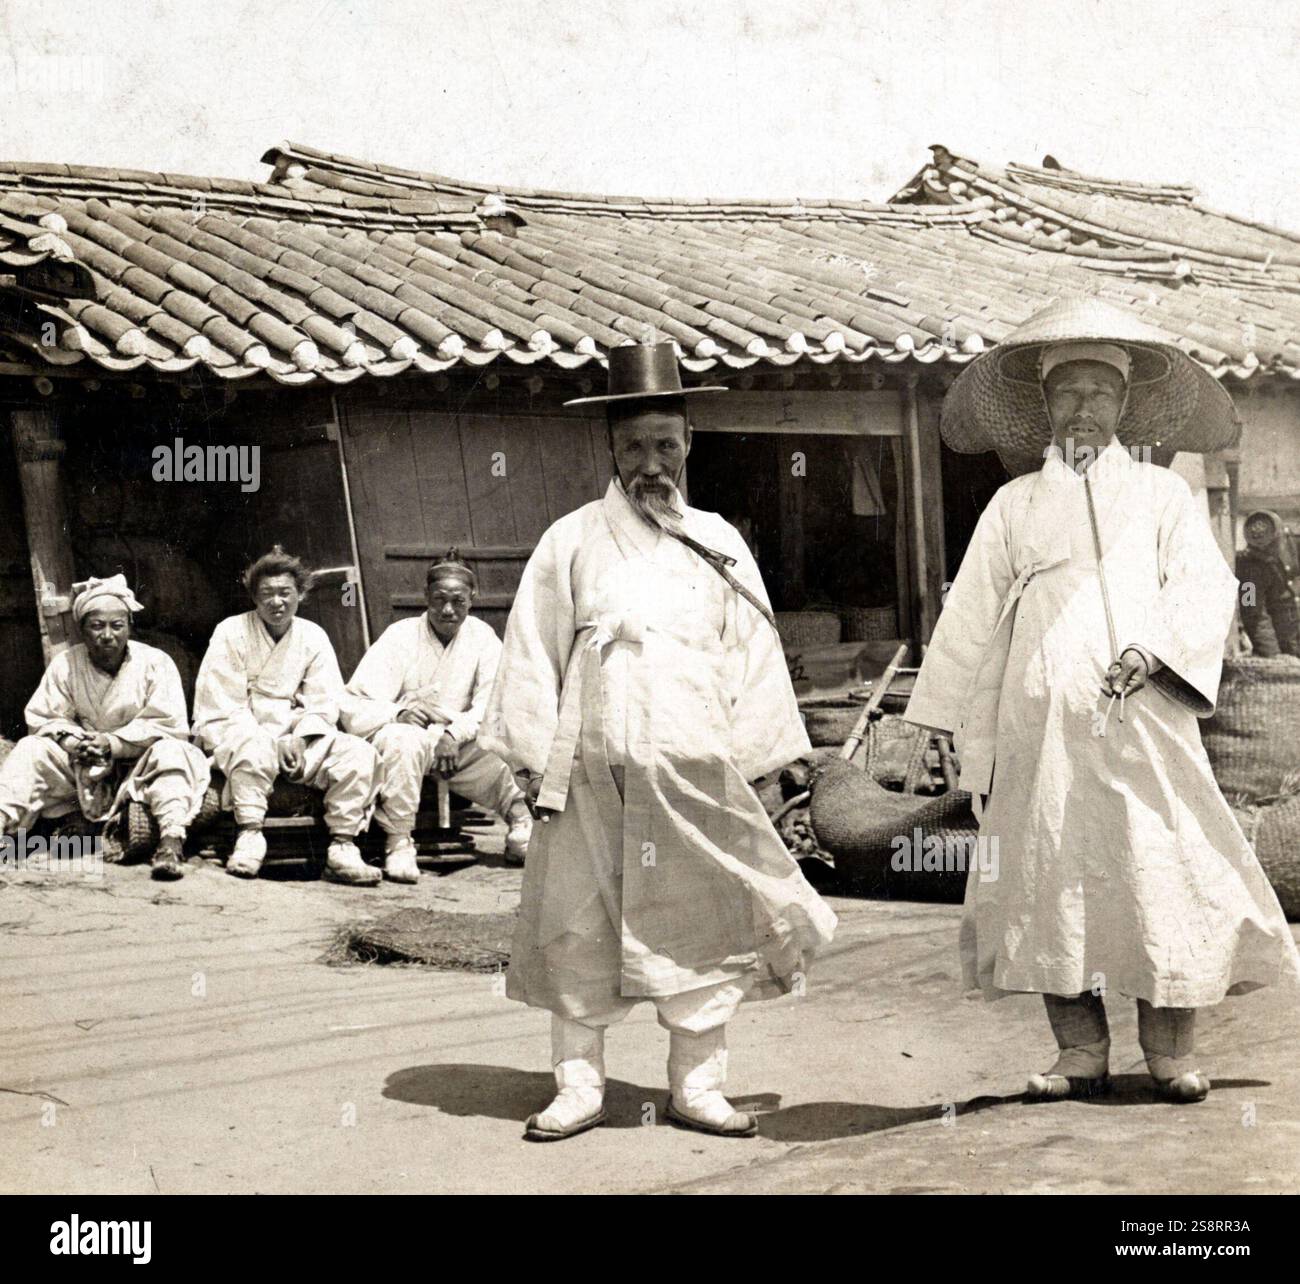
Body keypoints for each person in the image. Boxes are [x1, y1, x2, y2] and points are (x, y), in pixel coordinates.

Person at [905, 297, 1300, 1104]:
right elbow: (972, 611)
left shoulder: (1160, 496)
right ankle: (1079, 1048)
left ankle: (1168, 1050)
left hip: (1142, 713)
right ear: (1045, 406)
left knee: (1159, 867)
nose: (1083, 409)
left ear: (1124, 405)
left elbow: (1203, 586)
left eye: (1099, 394)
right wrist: (940, 722)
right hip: (1038, 722)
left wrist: (1148, 649)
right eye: (1068, 394)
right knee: (1051, 869)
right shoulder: (1013, 505)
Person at [480, 341, 836, 1141]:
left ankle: (698, 1086)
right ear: (611, 449)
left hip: (694, 773)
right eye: (635, 446)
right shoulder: (569, 541)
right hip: (588, 775)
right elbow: (532, 651)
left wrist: (756, 770)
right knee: (575, 926)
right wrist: (536, 767)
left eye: (666, 445)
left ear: (689, 446)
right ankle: (577, 1086)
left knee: (704, 925)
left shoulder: (719, 543)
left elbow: (754, 655)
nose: (652, 463)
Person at [0, 574, 210, 880]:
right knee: (31, 749)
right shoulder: (65, 664)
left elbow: (169, 722)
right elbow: (45, 718)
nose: (107, 635)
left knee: (176, 752)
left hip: (139, 764)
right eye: (97, 626)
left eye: (117, 625)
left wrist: (113, 744)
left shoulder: (156, 662)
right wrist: (74, 743)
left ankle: (170, 842)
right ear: (82, 630)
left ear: (129, 626)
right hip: (83, 768)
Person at [192, 546, 380, 885]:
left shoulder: (313, 636)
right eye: (267, 594)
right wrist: (272, 741)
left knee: (358, 754)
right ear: (253, 597)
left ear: (301, 594)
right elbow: (223, 705)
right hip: (243, 729)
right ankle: (250, 834)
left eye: (285, 593)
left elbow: (324, 701)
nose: (277, 602)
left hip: (299, 736)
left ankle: (343, 845)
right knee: (249, 746)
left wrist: (300, 736)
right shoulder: (230, 632)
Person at [342, 550, 532, 882]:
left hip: (455, 745)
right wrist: (398, 711)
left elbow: (493, 703)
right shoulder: (400, 635)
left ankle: (519, 819)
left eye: (458, 601)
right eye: (439, 599)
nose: (448, 609)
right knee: (404, 740)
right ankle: (399, 841)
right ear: (425, 597)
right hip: (409, 740)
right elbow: (356, 702)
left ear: (472, 599)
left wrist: (453, 735)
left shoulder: (482, 637)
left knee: (506, 735)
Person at [1236, 509, 1300, 657]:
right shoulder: (1248, 569)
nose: (1266, 552)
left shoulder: (1293, 544)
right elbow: (1252, 615)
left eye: (1272, 546)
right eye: (1261, 548)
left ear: (1283, 536)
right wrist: (1273, 655)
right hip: (1286, 645)